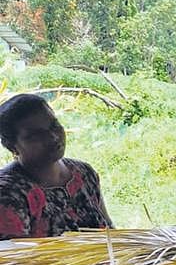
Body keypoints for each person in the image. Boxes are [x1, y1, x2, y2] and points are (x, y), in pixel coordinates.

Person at [0, 94, 113, 239]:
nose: (53, 137)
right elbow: (14, 258)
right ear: (12, 146)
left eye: (54, 125)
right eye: (36, 135)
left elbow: (110, 232)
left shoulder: (84, 174)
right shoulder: (8, 194)